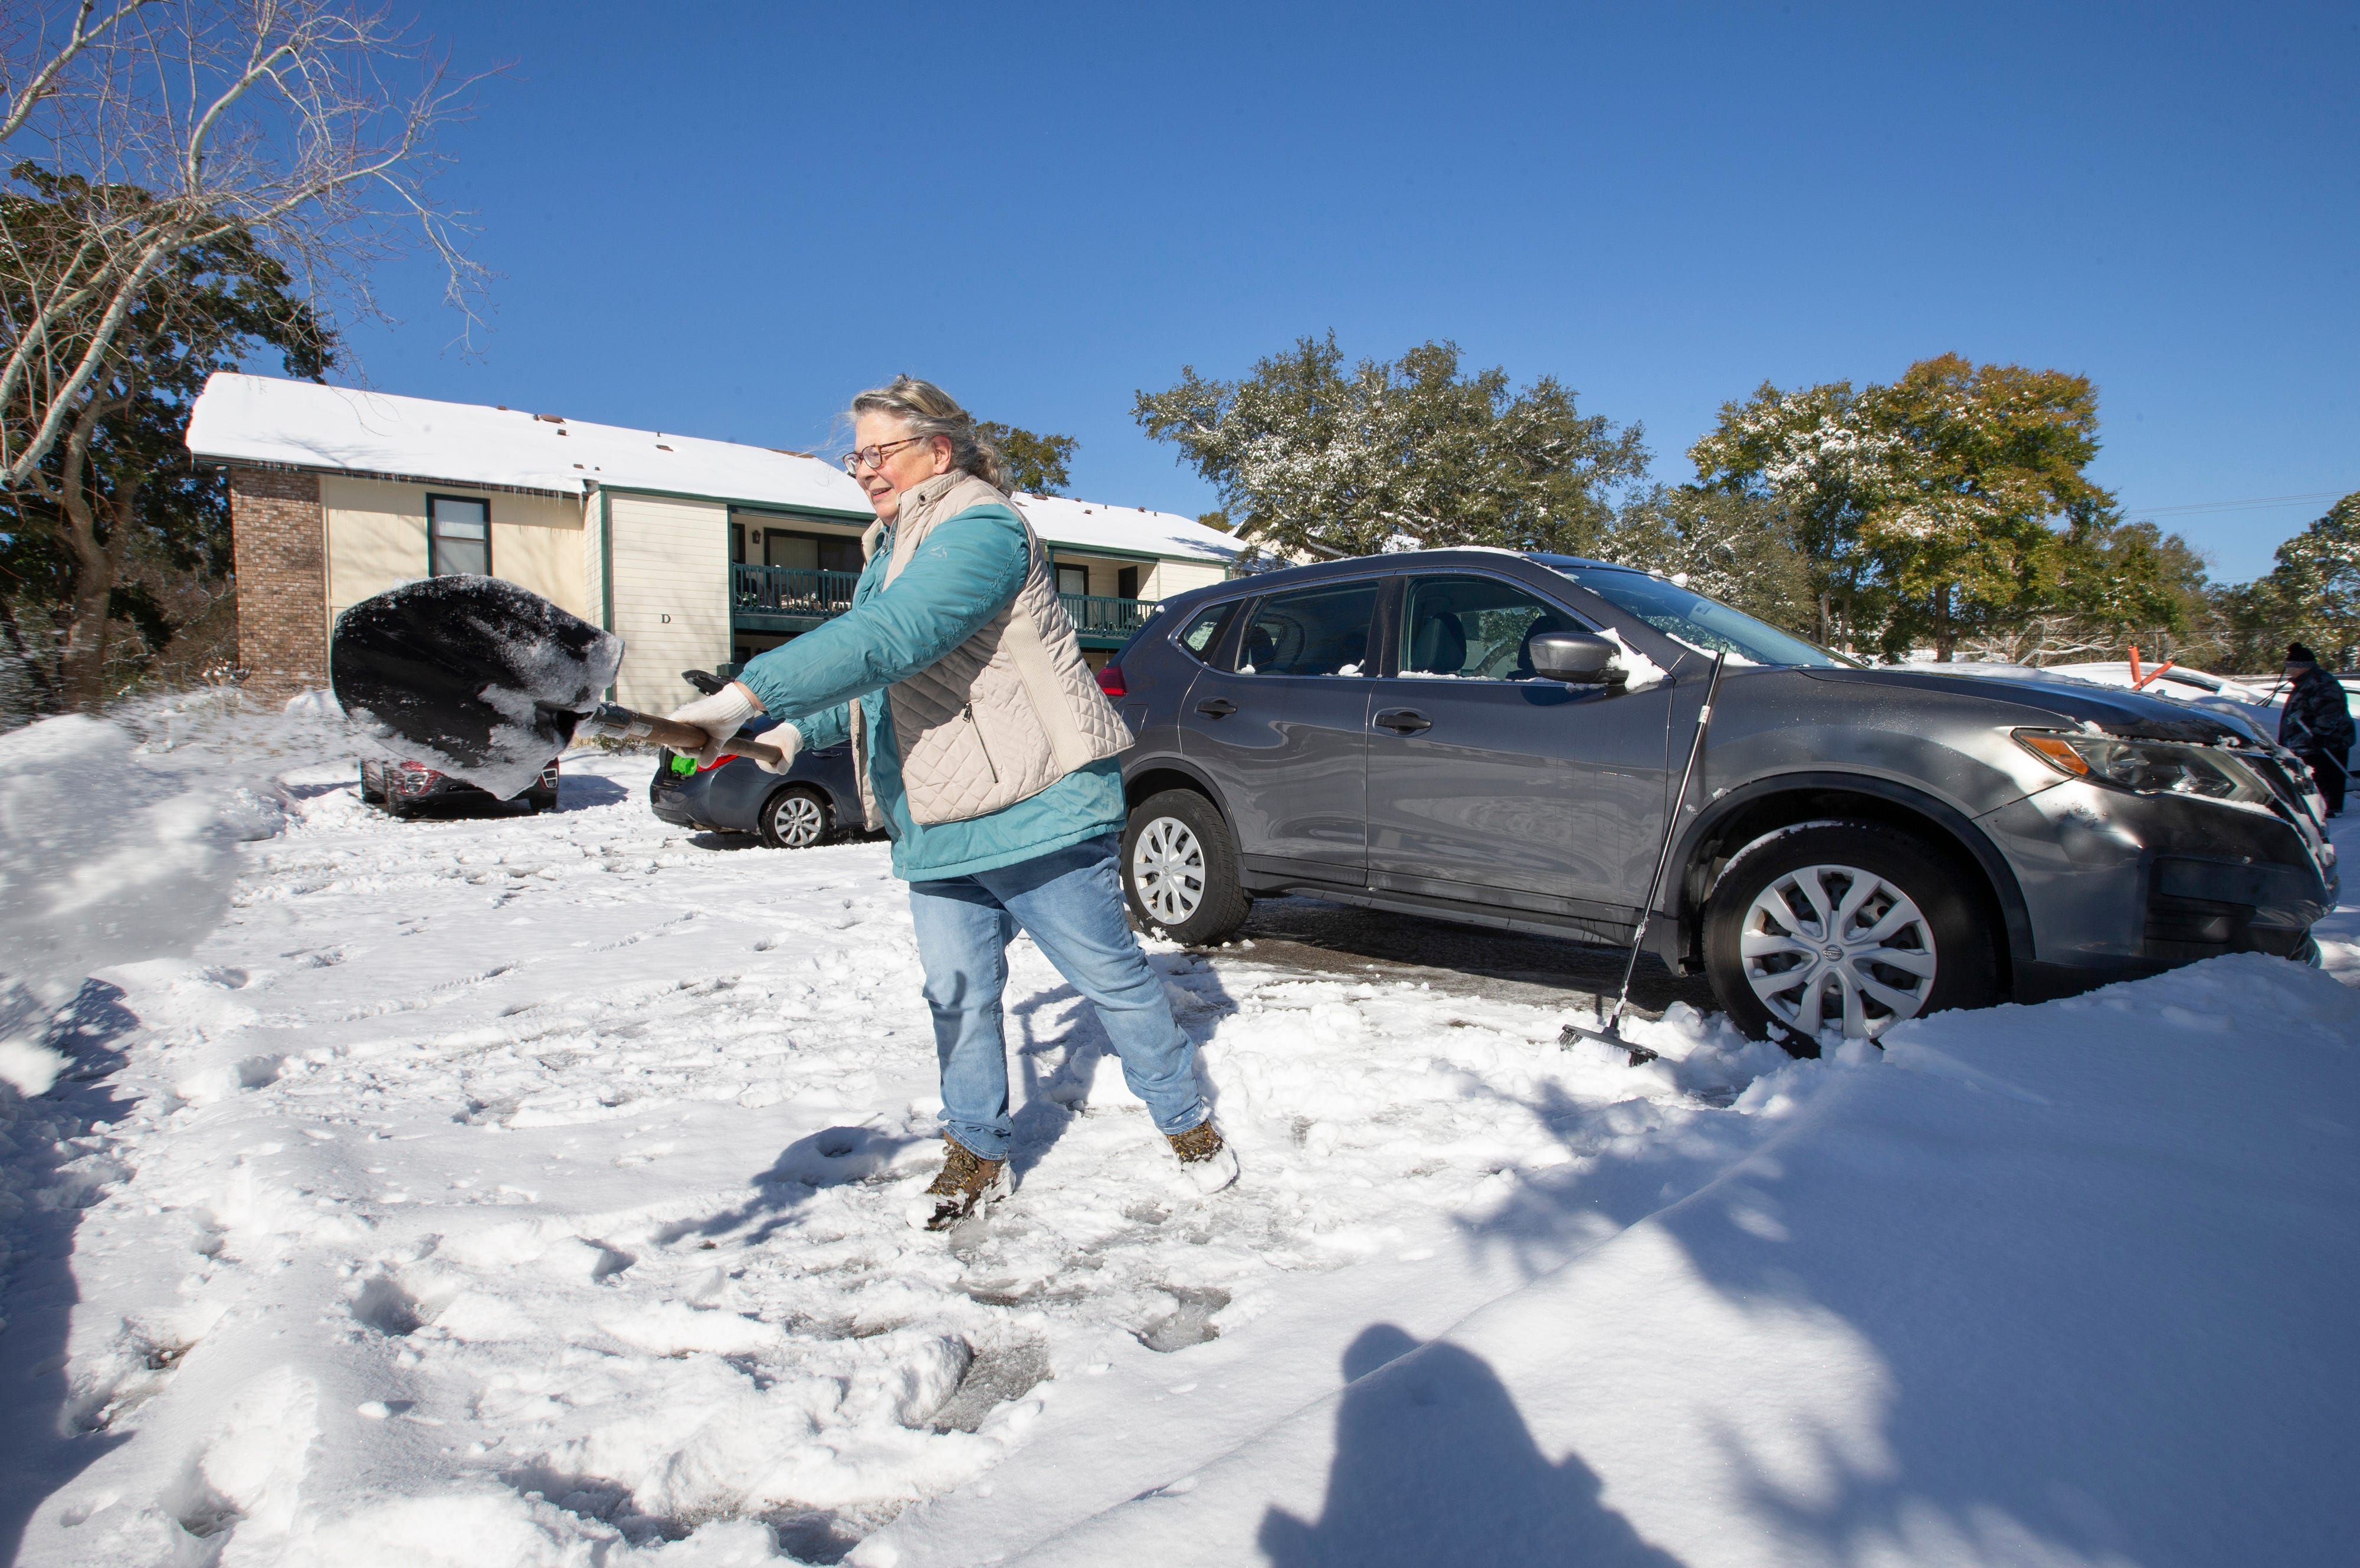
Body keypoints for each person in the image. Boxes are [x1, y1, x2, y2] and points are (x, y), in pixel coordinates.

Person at [666, 376, 1238, 1229]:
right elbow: (882, 675)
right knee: (958, 995)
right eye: (854, 454)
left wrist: (747, 694)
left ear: (939, 450)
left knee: (1112, 980)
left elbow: (896, 636)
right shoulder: (891, 546)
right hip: (936, 816)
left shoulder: (983, 529)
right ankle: (978, 1147)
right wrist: (788, 734)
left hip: (1035, 800)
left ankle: (1183, 1120)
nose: (862, 469)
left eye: (878, 451)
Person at [2277, 642, 2353, 818]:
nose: (2288, 670)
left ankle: (2328, 809)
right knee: (2311, 778)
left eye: (2291, 666)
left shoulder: (2321, 683)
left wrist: (2320, 732)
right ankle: (2316, 808)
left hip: (2326, 742)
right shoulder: (2306, 682)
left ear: (2302, 667)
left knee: (2326, 777)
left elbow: (2330, 710)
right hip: (2308, 741)